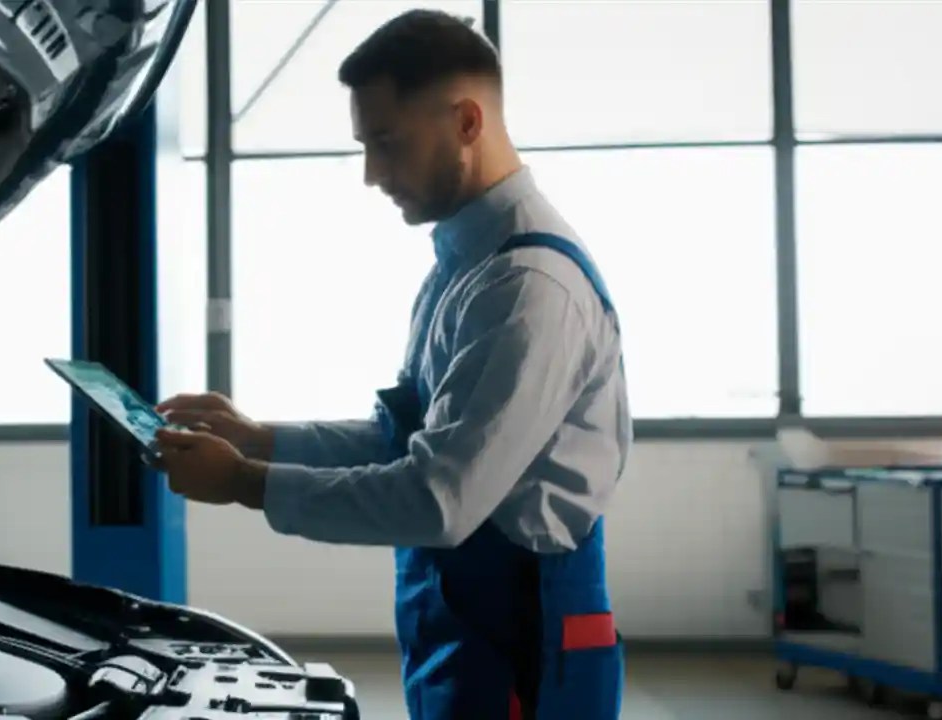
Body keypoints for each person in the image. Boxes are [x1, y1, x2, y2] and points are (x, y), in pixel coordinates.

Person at [154, 9, 631, 720]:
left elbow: (437, 497)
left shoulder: (527, 286)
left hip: (527, 652)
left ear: (467, 122)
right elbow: (402, 440)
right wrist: (258, 437)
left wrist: (246, 483)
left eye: (386, 142)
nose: (372, 174)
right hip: (466, 631)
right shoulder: (464, 267)